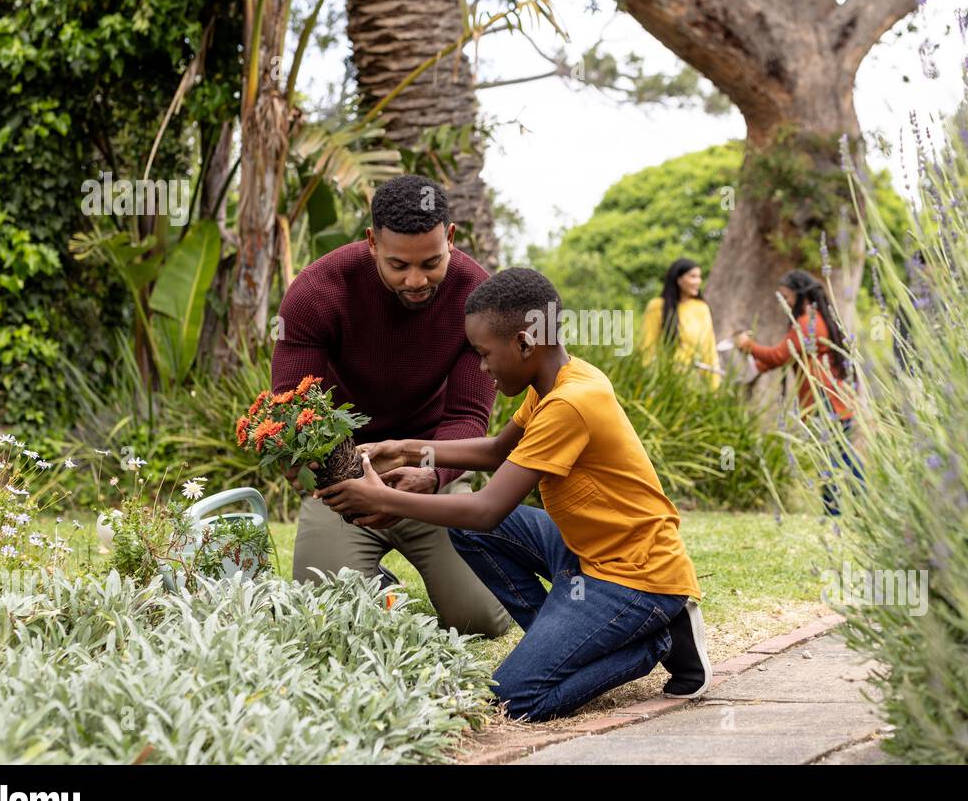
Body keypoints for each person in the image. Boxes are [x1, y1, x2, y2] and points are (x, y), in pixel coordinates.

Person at [315, 267, 712, 722]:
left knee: (512, 701)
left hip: (635, 577)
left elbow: (486, 509)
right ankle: (570, 636)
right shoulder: (556, 381)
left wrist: (381, 499)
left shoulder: (570, 403)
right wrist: (403, 449)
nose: (481, 367)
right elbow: (496, 450)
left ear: (524, 343)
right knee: (465, 532)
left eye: (484, 354)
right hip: (586, 553)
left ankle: (650, 641)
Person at [270, 174, 512, 639]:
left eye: (431, 262)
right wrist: (351, 480)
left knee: (482, 621)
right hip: (346, 480)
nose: (416, 280)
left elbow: (467, 417)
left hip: (430, 475)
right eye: (399, 264)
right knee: (327, 618)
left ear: (451, 237)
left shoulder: (477, 297)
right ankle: (376, 582)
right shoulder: (317, 292)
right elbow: (293, 410)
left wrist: (430, 473)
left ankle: (397, 578)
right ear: (371, 243)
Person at [734, 269, 862, 515]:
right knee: (840, 454)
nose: (785, 304)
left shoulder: (807, 323)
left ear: (800, 295)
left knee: (834, 457)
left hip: (825, 398)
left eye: (787, 298)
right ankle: (853, 507)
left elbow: (780, 355)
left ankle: (836, 511)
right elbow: (790, 356)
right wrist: (756, 367)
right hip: (836, 396)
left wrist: (747, 346)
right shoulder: (815, 319)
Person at [640, 258, 721, 387]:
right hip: (664, 381)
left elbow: (709, 347)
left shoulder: (701, 308)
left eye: (699, 277)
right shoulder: (656, 306)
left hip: (694, 382)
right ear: (678, 279)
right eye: (693, 276)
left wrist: (714, 385)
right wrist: (650, 381)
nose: (698, 281)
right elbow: (647, 346)